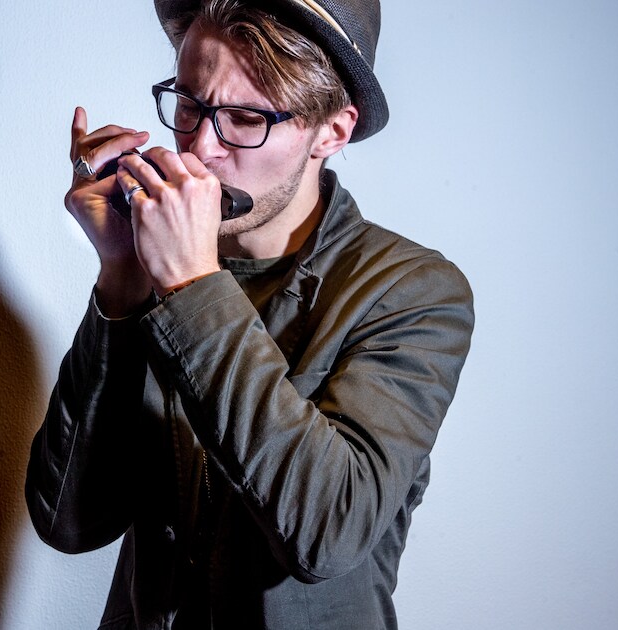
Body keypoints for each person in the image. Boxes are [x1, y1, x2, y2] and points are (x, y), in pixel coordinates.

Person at [24, 0, 474, 628]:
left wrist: (191, 284)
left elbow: (329, 531)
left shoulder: (413, 290)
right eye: (189, 104)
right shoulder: (153, 266)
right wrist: (121, 276)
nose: (202, 147)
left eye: (244, 118)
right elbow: (68, 520)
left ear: (332, 132)